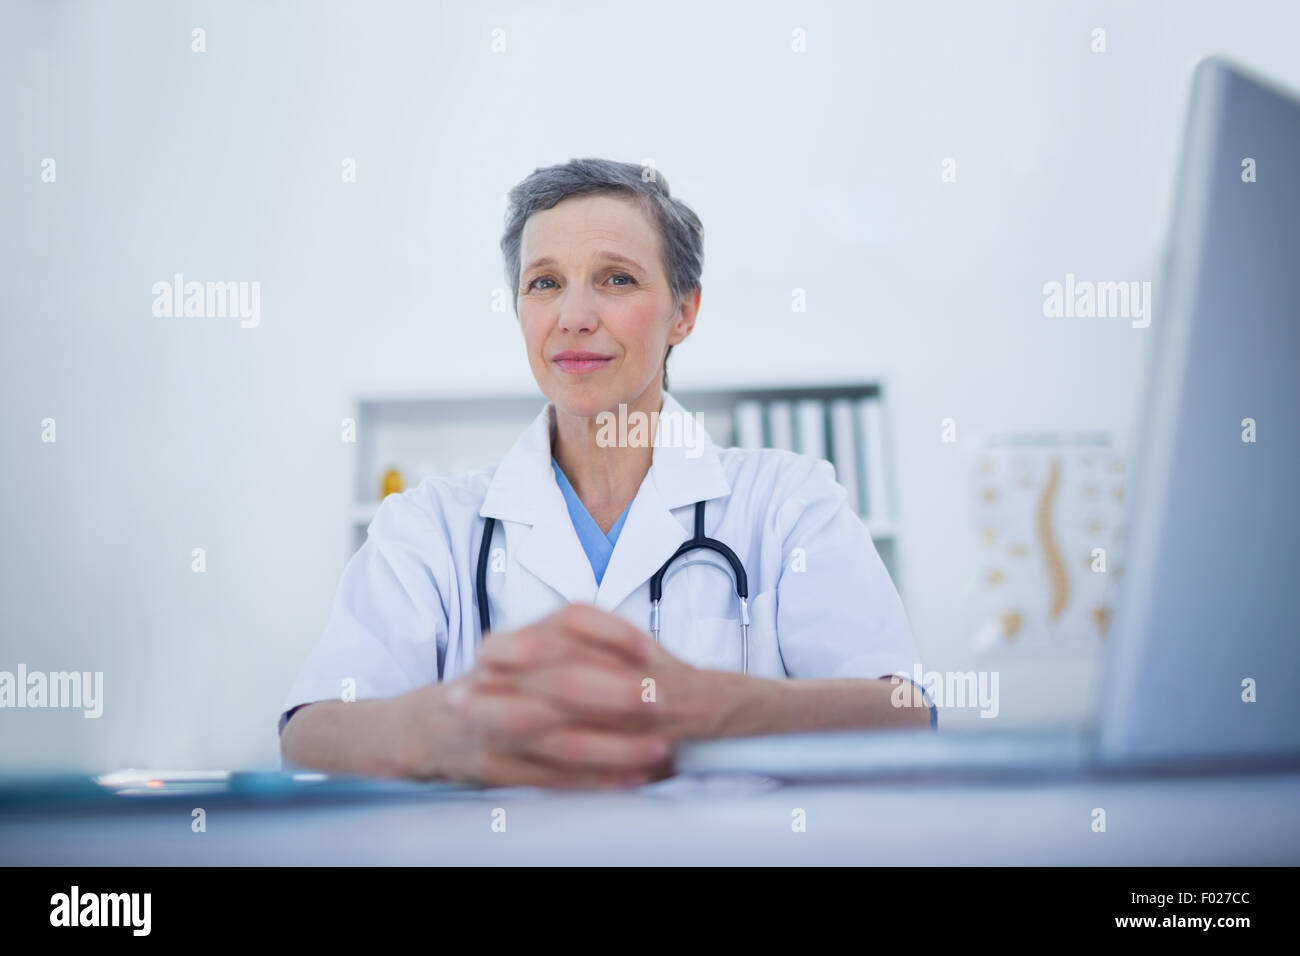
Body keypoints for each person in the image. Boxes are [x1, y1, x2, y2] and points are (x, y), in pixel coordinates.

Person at [279, 158, 931, 788]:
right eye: (545, 283)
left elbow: (905, 714)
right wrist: (450, 728)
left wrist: (712, 707)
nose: (575, 316)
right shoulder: (427, 526)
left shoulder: (788, 503)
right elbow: (310, 735)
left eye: (616, 279)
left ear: (684, 312)